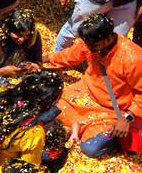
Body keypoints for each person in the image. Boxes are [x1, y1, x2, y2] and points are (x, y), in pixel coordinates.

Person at [42, 12, 142, 158]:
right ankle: (74, 129)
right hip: (83, 93)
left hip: (112, 109)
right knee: (48, 113)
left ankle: (115, 136)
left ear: (108, 38)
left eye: (92, 45)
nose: (88, 47)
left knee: (90, 148)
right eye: (86, 43)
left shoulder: (133, 58)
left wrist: (128, 119)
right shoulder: (90, 42)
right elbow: (70, 55)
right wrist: (43, 59)